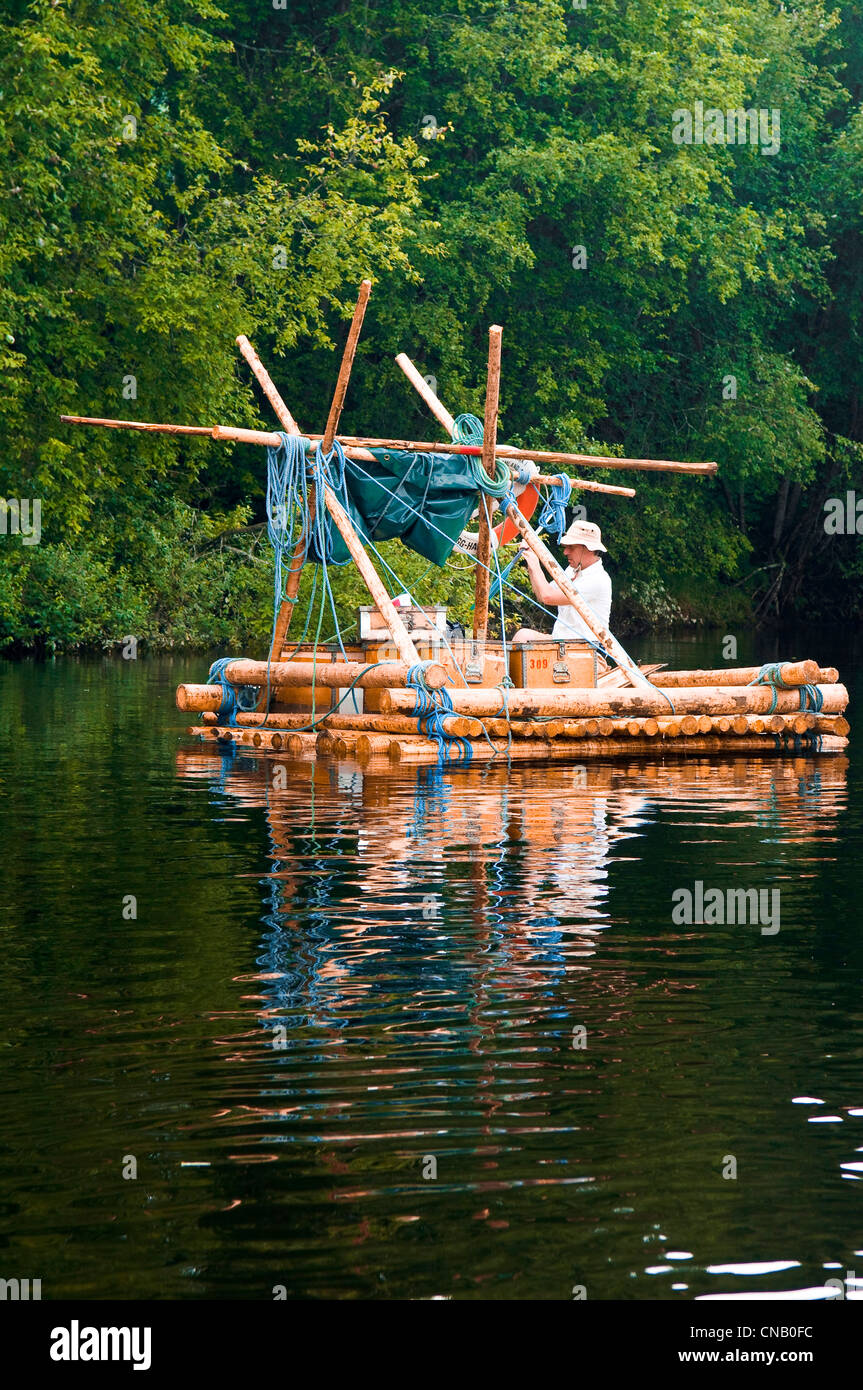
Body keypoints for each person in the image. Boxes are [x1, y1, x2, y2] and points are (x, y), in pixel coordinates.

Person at [512, 519, 612, 644]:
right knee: (523, 636)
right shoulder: (572, 570)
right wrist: (530, 562)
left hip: (586, 649)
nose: (565, 552)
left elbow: (547, 596)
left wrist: (534, 562)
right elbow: (541, 594)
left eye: (571, 547)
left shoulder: (598, 579)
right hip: (562, 642)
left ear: (588, 549)